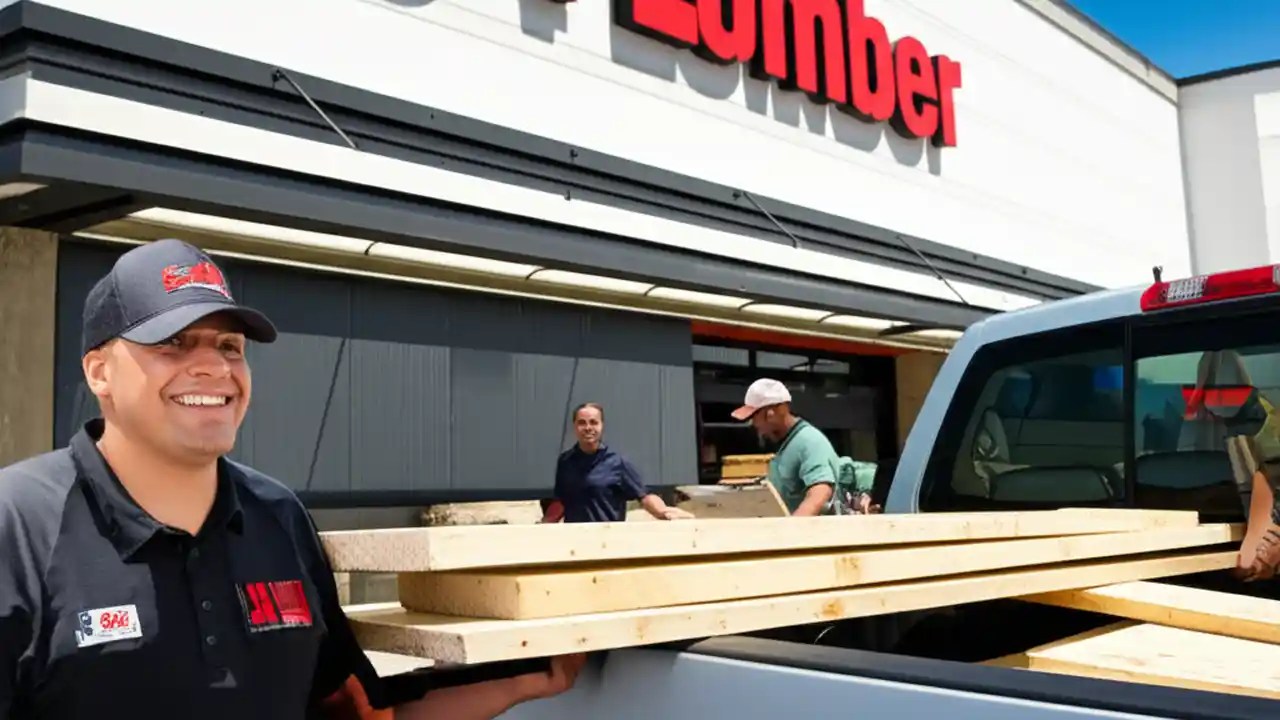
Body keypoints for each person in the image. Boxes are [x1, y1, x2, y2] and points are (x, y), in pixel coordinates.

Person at [0, 239, 584, 720]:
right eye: (173, 343)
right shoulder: (20, 526)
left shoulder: (277, 516)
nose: (214, 366)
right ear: (99, 372)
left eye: (229, 346)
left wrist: (527, 679)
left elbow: (352, 712)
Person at [731, 378, 873, 516]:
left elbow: (820, 491)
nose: (754, 425)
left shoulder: (809, 441)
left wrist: (792, 528)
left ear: (773, 412)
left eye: (755, 417)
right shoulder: (786, 445)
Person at [540, 403, 694, 523]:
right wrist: (546, 522)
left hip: (608, 539)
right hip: (575, 541)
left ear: (601, 425)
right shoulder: (565, 461)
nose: (588, 428)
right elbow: (561, 501)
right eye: (582, 423)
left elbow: (644, 495)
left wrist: (663, 512)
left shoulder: (617, 462)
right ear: (574, 426)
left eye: (593, 422)